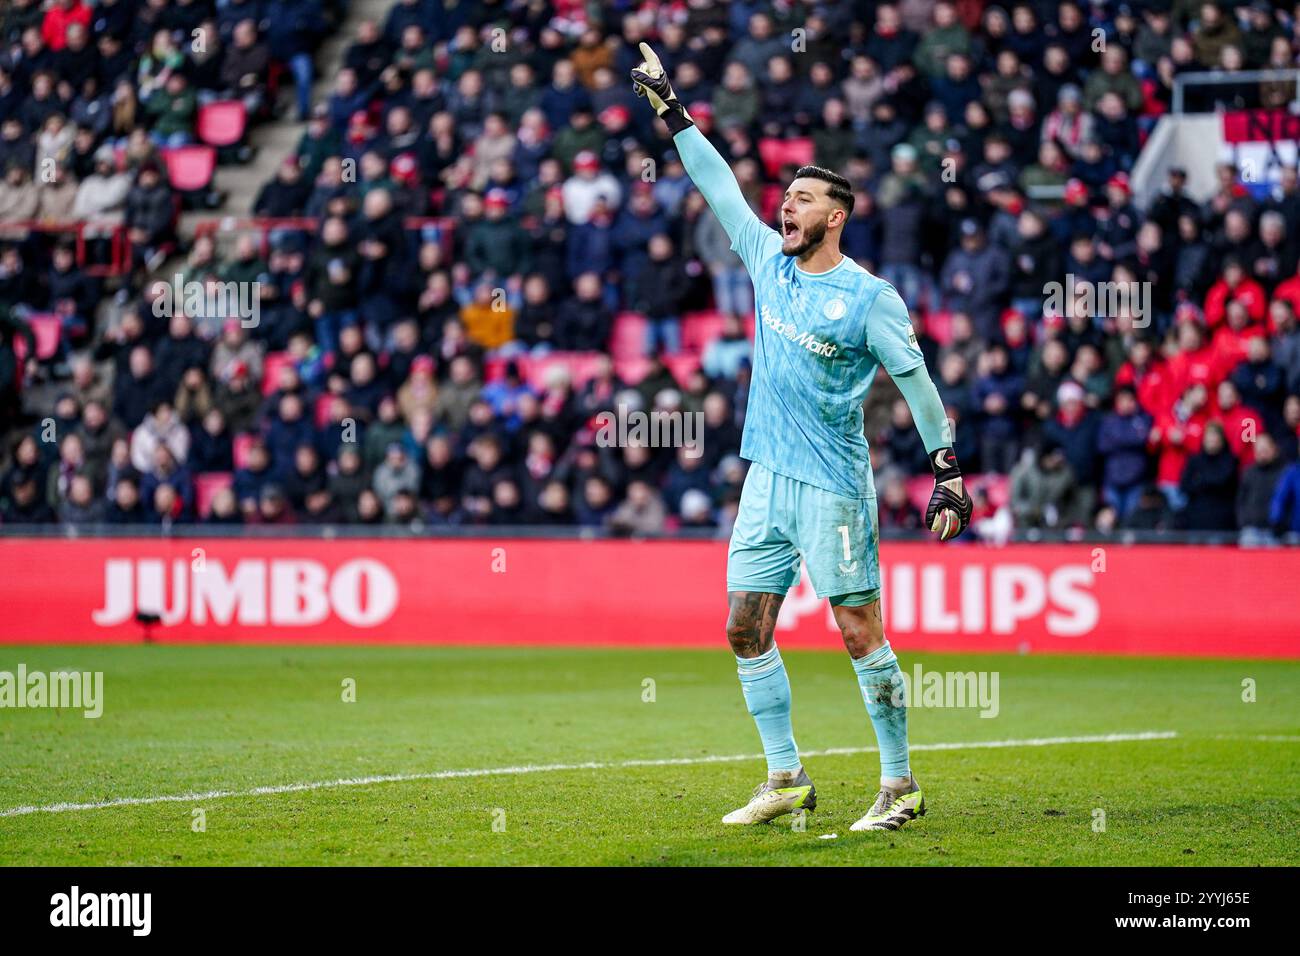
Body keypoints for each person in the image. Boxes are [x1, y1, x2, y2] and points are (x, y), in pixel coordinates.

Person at [631, 44, 972, 832]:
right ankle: (785, 776)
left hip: (834, 486)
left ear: (835, 217)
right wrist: (671, 109)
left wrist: (946, 471)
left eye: (803, 200)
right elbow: (716, 184)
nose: (786, 207)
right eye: (785, 197)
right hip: (766, 477)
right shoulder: (765, 262)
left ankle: (899, 784)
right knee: (743, 625)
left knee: (858, 630)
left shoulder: (868, 298)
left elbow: (917, 384)